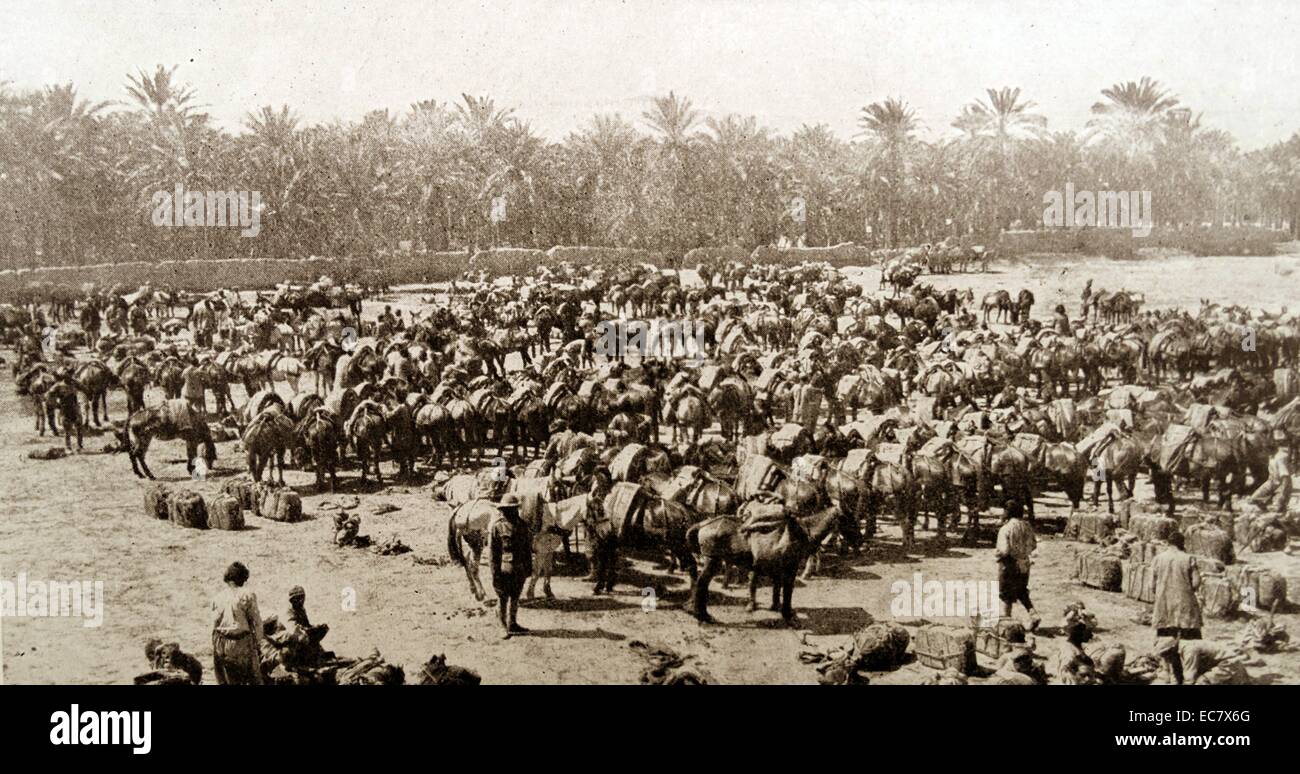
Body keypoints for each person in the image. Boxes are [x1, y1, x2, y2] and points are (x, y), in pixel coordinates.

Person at [1150, 531, 1202, 685]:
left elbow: (1151, 586)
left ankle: (1170, 675)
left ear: (1167, 543)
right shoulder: (1189, 559)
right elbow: (1196, 583)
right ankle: (1191, 676)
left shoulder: (1158, 559)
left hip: (1164, 605)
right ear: (1182, 543)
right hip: (1185, 605)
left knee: (1165, 641)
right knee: (1190, 641)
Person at [211, 562, 265, 685]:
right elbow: (256, 622)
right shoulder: (247, 595)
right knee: (254, 680)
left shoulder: (217, 597)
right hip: (240, 643)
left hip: (221, 643)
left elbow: (214, 626)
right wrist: (258, 644)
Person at [489, 494, 533, 639]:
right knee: (502, 597)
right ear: (502, 510)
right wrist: (495, 573)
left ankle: (512, 623)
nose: (510, 512)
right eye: (507, 510)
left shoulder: (523, 525)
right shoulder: (497, 527)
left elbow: (527, 548)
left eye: (513, 509)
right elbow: (493, 553)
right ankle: (502, 625)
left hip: (519, 567)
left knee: (515, 596)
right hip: (504, 568)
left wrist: (528, 568)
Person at [995, 498, 1041, 631]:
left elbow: (1004, 550)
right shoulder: (1027, 526)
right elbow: (1033, 545)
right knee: (1021, 592)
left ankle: (1006, 625)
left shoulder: (1006, 528)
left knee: (1006, 596)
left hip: (1009, 565)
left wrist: (998, 554)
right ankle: (1033, 614)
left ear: (1008, 512)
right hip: (1024, 564)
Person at [1249, 430, 1292, 515]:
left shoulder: (1280, 458)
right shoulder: (1271, 457)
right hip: (1272, 482)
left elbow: (1285, 478)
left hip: (1282, 484)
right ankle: (1266, 508)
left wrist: (1282, 493)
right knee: (1253, 499)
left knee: (1278, 508)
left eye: (1265, 450)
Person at [45, 367, 87, 451]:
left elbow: (84, 389)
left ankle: (79, 445)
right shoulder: (58, 386)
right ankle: (68, 447)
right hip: (65, 408)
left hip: (75, 407)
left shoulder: (74, 383)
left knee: (79, 426)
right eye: (68, 375)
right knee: (67, 429)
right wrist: (56, 405)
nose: (70, 377)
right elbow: (48, 395)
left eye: (70, 375)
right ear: (64, 377)